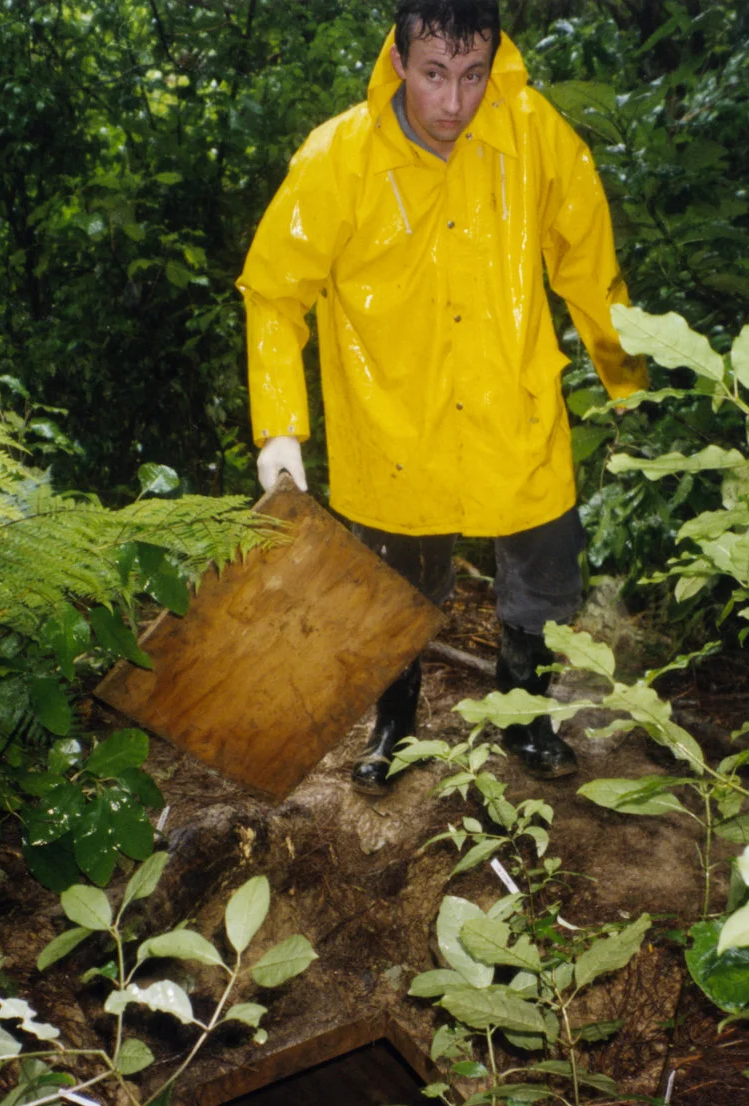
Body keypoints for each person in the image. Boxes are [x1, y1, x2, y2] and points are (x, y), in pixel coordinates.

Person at [238, 0, 645, 795]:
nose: (454, 102)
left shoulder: (532, 132)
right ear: (397, 61)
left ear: (494, 62)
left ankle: (527, 716)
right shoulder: (338, 157)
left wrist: (625, 373)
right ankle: (394, 724)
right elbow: (274, 293)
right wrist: (280, 429)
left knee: (542, 579)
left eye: (472, 75)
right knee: (394, 589)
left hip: (513, 405)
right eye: (433, 75)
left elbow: (587, 260)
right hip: (394, 418)